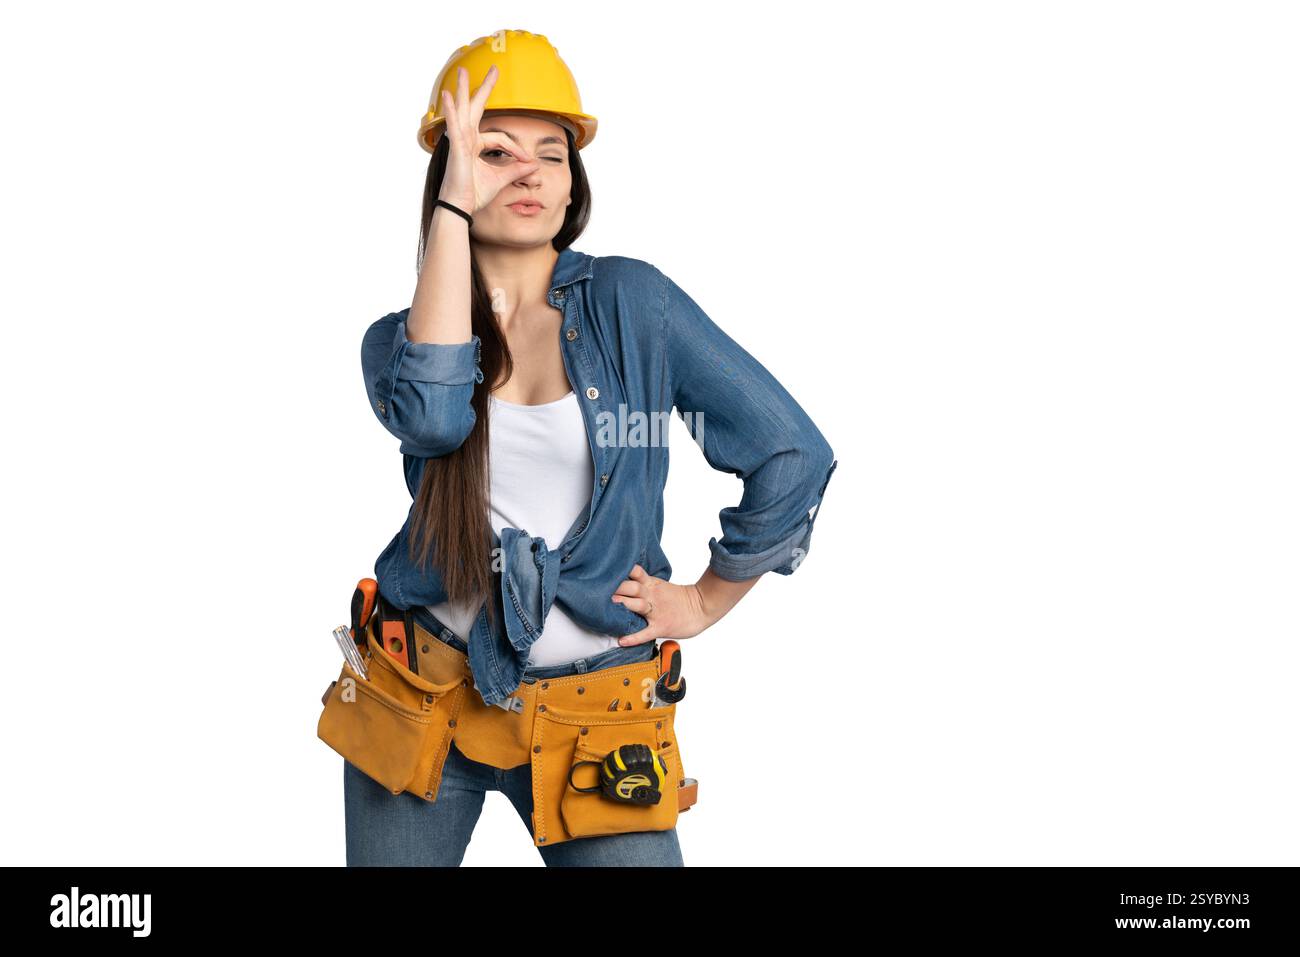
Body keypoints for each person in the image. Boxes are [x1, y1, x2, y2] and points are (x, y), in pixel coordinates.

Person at [345, 30, 837, 866]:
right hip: (419, 692)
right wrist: (453, 222)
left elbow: (792, 452)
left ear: (575, 181)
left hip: (601, 721)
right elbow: (433, 421)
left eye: (552, 151)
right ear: (449, 177)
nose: (529, 170)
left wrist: (707, 600)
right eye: (493, 151)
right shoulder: (395, 345)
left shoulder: (631, 302)